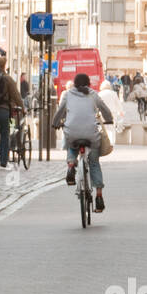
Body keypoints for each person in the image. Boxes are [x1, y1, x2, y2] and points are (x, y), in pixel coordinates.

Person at [52, 73, 114, 211]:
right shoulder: (93, 94)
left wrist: (55, 123)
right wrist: (109, 119)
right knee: (94, 163)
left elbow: (60, 111)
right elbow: (104, 109)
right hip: (91, 134)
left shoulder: (68, 94)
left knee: (71, 143)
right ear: (88, 84)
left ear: (74, 84)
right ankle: (98, 197)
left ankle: (71, 166)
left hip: (72, 133)